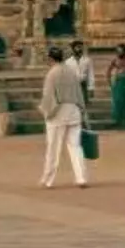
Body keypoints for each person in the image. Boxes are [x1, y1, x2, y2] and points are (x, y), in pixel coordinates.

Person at [39, 45, 89, 188]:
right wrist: (83, 110)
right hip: (74, 110)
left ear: (50, 58)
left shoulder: (52, 73)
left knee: (53, 147)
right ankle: (81, 178)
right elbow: (79, 93)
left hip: (58, 111)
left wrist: (46, 111)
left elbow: (48, 96)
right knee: (75, 146)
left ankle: (48, 179)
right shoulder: (71, 71)